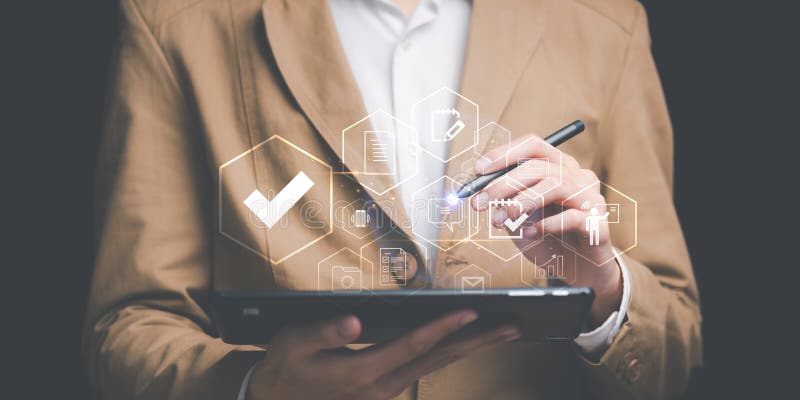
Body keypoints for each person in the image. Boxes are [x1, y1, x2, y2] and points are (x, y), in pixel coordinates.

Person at [83, 0, 703, 399]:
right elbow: (131, 324)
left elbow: (676, 351)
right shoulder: (178, 23)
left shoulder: (603, 25)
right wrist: (253, 387)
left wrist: (603, 287)